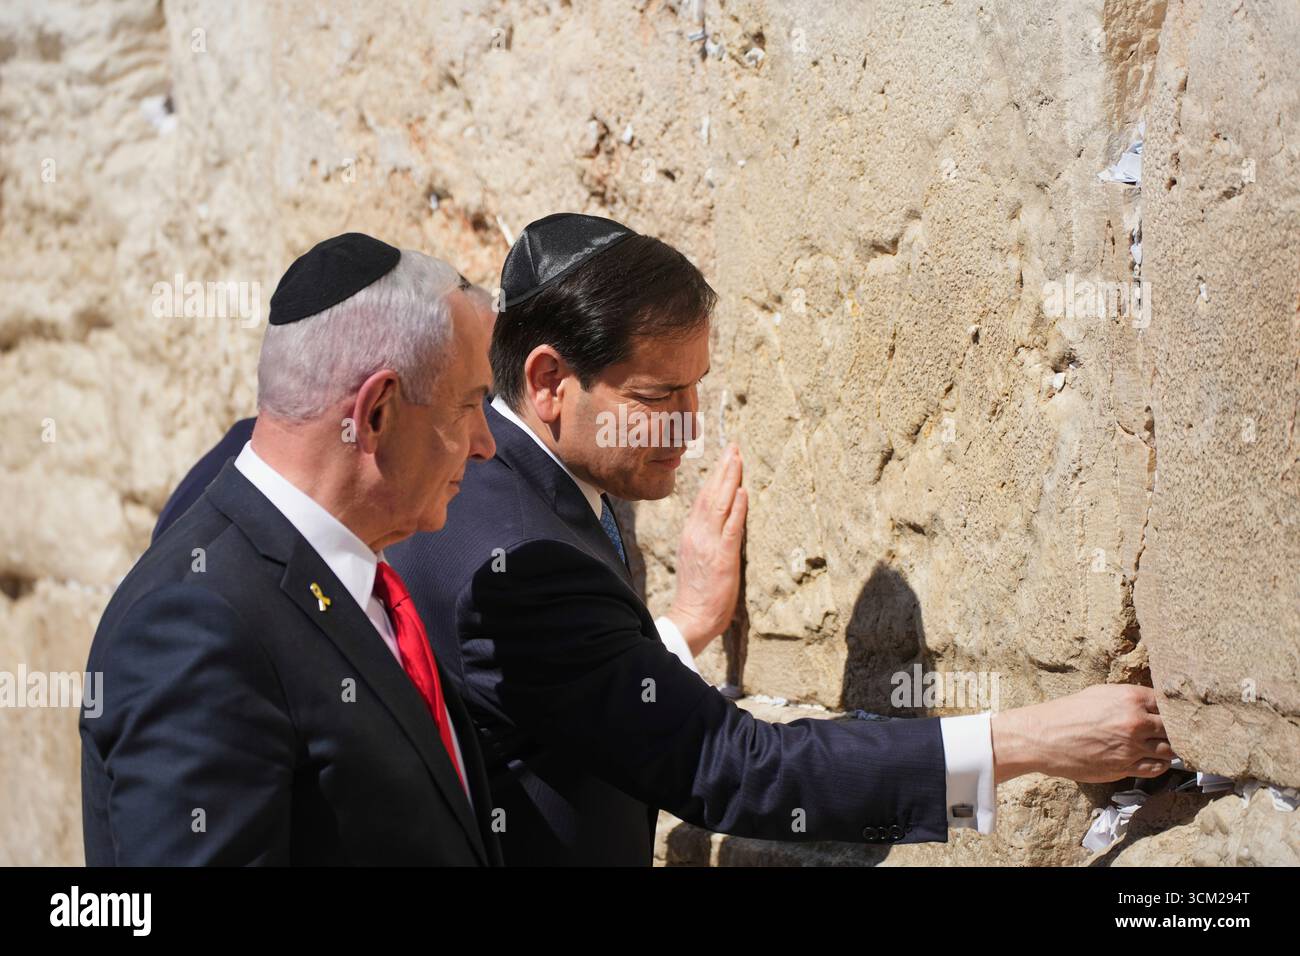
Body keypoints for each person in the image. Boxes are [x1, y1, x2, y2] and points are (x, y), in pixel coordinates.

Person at [384, 213, 1173, 865]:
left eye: (697, 390)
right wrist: (1034, 738)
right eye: (659, 397)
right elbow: (738, 769)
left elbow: (559, 696)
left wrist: (679, 632)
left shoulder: (485, 479)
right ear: (552, 381)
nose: (689, 428)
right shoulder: (525, 558)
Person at [81, 233, 501, 865]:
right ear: (378, 412)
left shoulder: (359, 573)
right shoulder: (197, 624)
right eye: (468, 407)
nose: (484, 443)